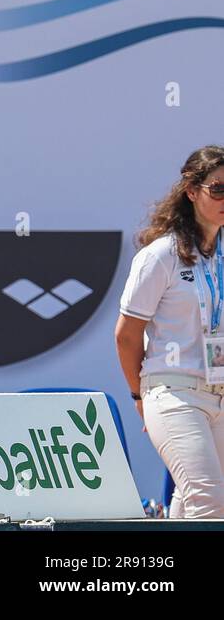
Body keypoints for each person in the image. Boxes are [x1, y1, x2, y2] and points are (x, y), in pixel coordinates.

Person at [115, 144, 224, 517]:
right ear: (192, 192)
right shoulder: (162, 255)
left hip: (220, 394)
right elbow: (127, 335)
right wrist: (139, 396)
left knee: (191, 503)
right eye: (218, 188)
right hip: (174, 392)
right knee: (209, 502)